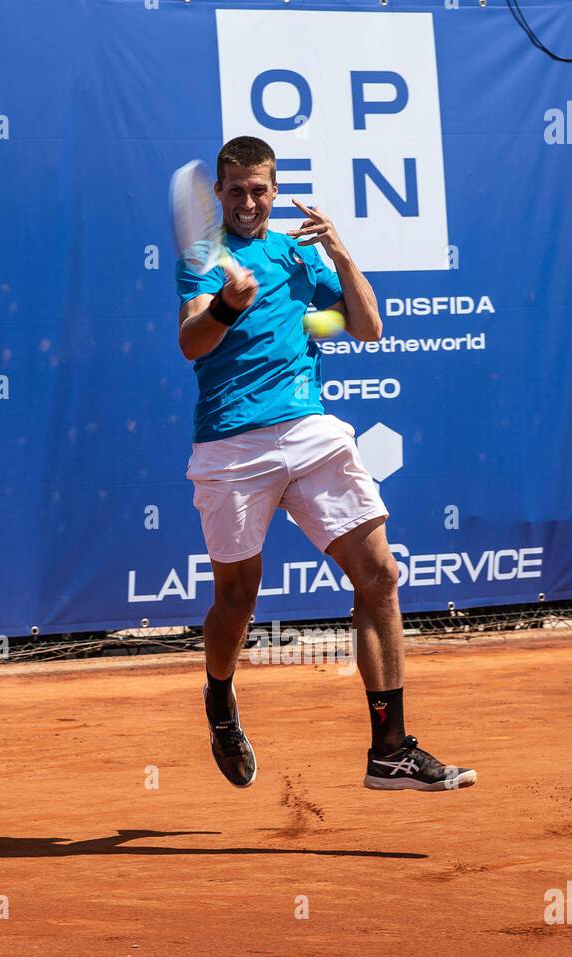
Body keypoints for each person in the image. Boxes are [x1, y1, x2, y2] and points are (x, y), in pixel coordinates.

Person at [175, 135, 476, 794]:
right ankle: (220, 699)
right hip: (230, 446)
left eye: (259, 190)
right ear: (220, 195)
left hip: (310, 430)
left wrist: (339, 253)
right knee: (236, 600)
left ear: (274, 190)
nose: (248, 202)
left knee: (379, 575)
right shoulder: (206, 258)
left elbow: (366, 327)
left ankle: (389, 748)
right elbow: (191, 342)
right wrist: (230, 302)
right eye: (235, 192)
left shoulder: (296, 252)